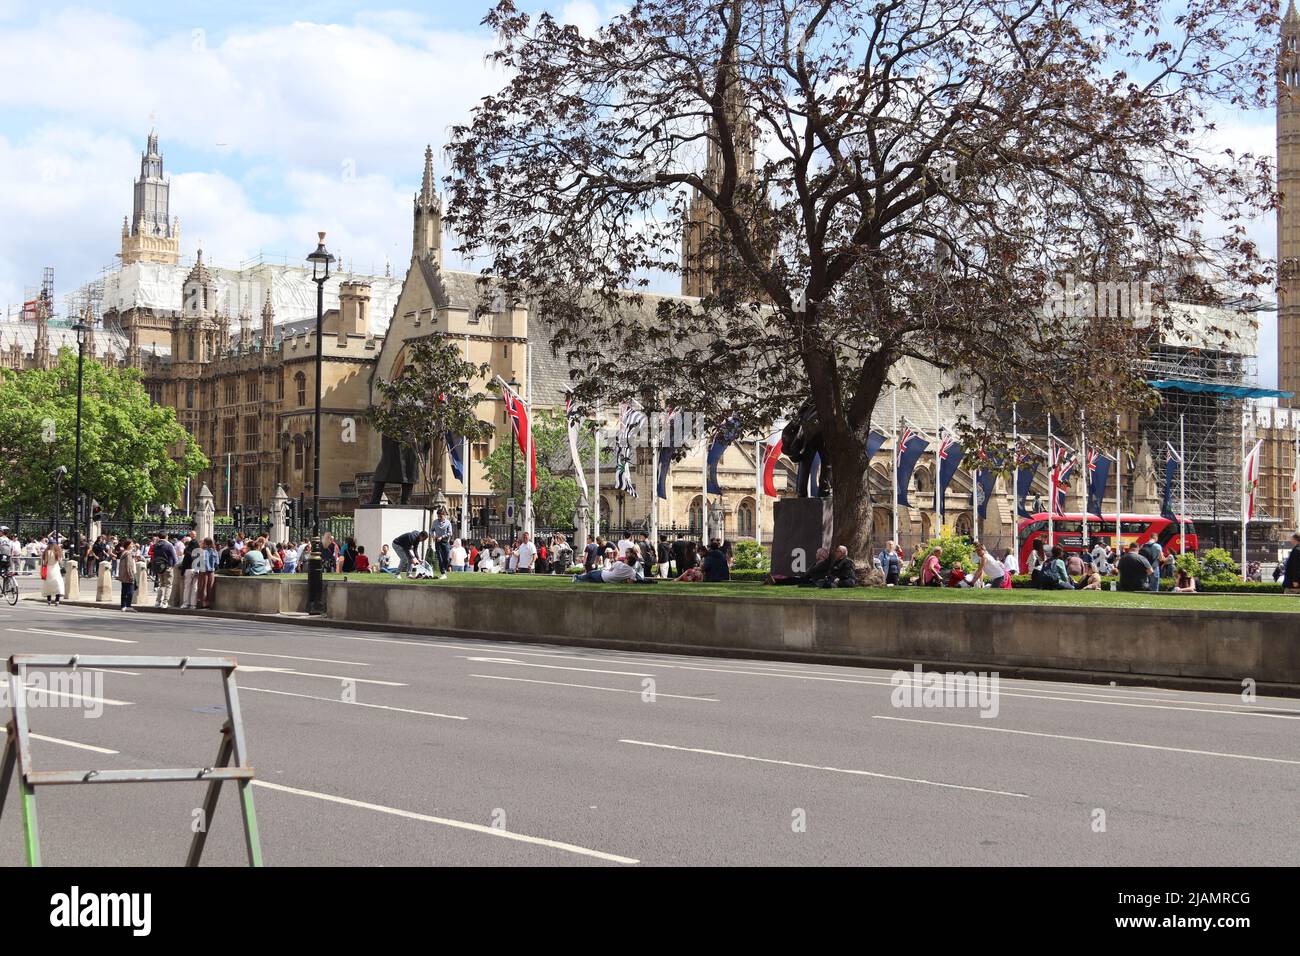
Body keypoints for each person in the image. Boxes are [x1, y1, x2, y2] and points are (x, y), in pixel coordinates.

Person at [574, 553, 638, 583]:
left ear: (628, 560)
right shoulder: (632, 572)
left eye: (626, 558)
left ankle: (578, 577)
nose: (624, 558)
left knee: (591, 573)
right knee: (591, 581)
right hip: (607, 581)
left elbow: (610, 570)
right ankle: (577, 581)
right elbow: (631, 582)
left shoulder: (619, 564)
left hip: (604, 575)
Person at [149, 536, 176, 607]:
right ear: (166, 536)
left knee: (162, 584)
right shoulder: (169, 545)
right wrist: (172, 566)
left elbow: (153, 556)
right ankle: (165, 602)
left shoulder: (155, 545)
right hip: (167, 567)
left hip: (159, 568)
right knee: (168, 585)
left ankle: (157, 601)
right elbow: (174, 557)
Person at [116, 539, 139, 611]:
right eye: (132, 544)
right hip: (128, 575)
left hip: (124, 575)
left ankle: (123, 606)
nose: (133, 545)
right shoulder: (128, 554)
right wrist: (131, 576)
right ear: (128, 545)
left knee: (124, 591)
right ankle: (128, 606)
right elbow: (129, 566)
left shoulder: (124, 553)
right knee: (130, 591)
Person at [430, 510, 453, 580]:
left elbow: (450, 533)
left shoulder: (448, 522)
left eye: (440, 516)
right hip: (437, 542)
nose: (439, 517)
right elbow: (431, 530)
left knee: (446, 558)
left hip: (445, 542)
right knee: (440, 558)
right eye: (438, 516)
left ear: (444, 515)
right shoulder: (435, 522)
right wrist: (433, 536)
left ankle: (444, 569)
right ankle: (443, 573)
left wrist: (442, 537)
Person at [196, 537, 218, 609]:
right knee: (210, 587)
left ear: (205, 543)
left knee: (203, 587)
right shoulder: (215, 551)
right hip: (211, 571)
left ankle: (204, 602)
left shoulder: (202, 551)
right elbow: (217, 562)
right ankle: (209, 602)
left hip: (203, 571)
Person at [41, 540, 65, 606]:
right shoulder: (58, 552)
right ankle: (57, 600)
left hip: (49, 569)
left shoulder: (47, 552)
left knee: (48, 584)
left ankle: (49, 600)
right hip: (56, 569)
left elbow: (45, 562)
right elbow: (60, 562)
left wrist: (43, 568)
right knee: (57, 583)